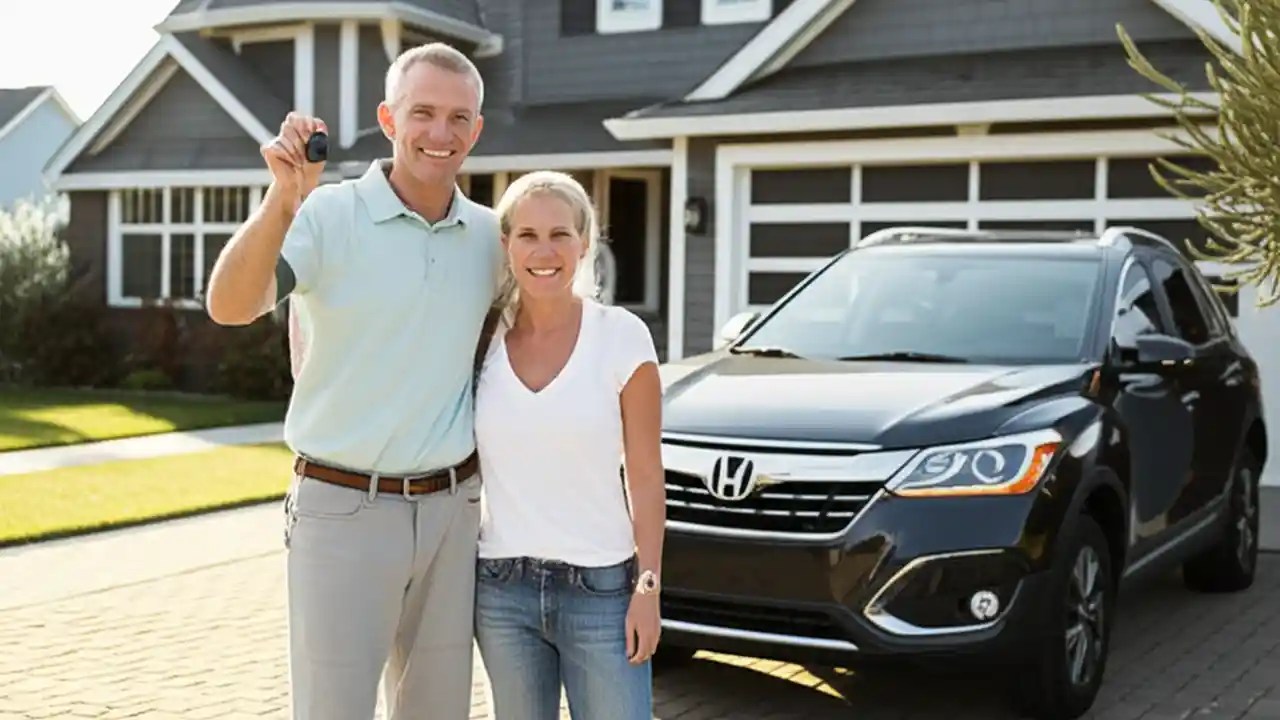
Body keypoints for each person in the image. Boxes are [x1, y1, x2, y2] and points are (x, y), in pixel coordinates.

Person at [204, 42, 502, 720]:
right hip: (342, 510)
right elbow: (230, 304)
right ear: (389, 120)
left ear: (477, 130)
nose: (440, 133)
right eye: (422, 112)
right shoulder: (326, 216)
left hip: (454, 513)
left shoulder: (492, 238)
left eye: (459, 117)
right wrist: (282, 200)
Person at [472, 170, 666, 720]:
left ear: (584, 243)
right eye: (527, 235)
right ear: (507, 245)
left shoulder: (622, 336)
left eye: (560, 234)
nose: (544, 250)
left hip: (602, 591)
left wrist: (647, 589)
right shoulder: (482, 341)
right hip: (501, 589)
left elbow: (647, 477)